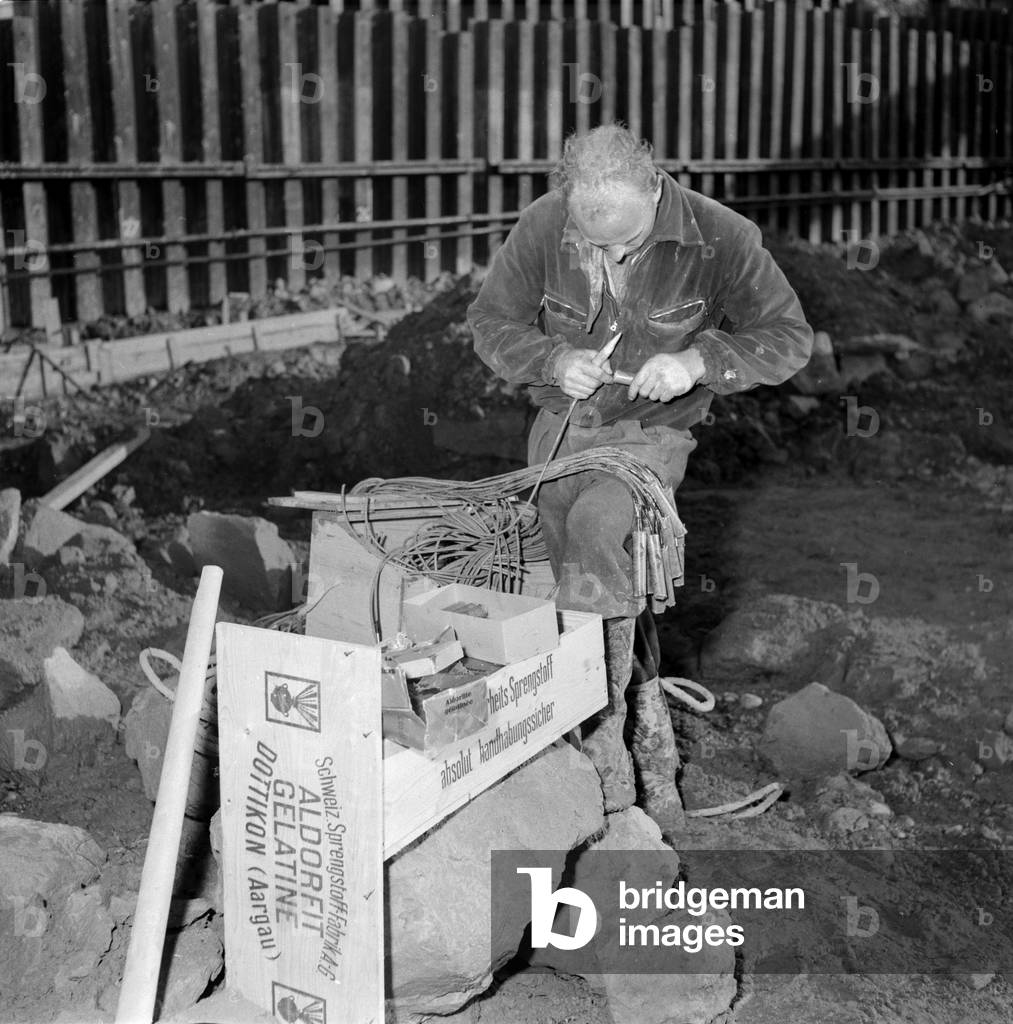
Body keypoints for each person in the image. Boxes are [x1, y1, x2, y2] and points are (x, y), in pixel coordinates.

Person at [467, 124, 813, 841]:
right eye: (592, 244)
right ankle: (647, 766)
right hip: (559, 431)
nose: (608, 257)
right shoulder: (542, 225)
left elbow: (786, 338)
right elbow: (490, 322)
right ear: (570, 203)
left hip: (649, 441)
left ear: (654, 189)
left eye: (623, 242)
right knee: (561, 578)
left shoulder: (722, 237)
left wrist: (698, 361)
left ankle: (604, 774)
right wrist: (549, 357)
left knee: (600, 532)